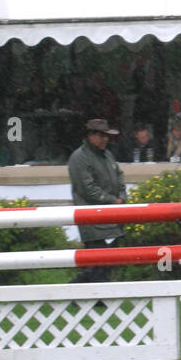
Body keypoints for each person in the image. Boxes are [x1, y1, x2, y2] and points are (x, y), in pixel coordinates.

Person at [68, 119, 126, 284]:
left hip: (111, 216)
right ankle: (74, 290)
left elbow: (119, 176)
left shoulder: (107, 155)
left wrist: (121, 196)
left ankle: (95, 297)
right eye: (101, 136)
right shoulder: (79, 158)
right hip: (92, 218)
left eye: (106, 136)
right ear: (90, 135)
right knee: (96, 264)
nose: (105, 139)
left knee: (105, 263)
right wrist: (114, 200)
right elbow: (88, 189)